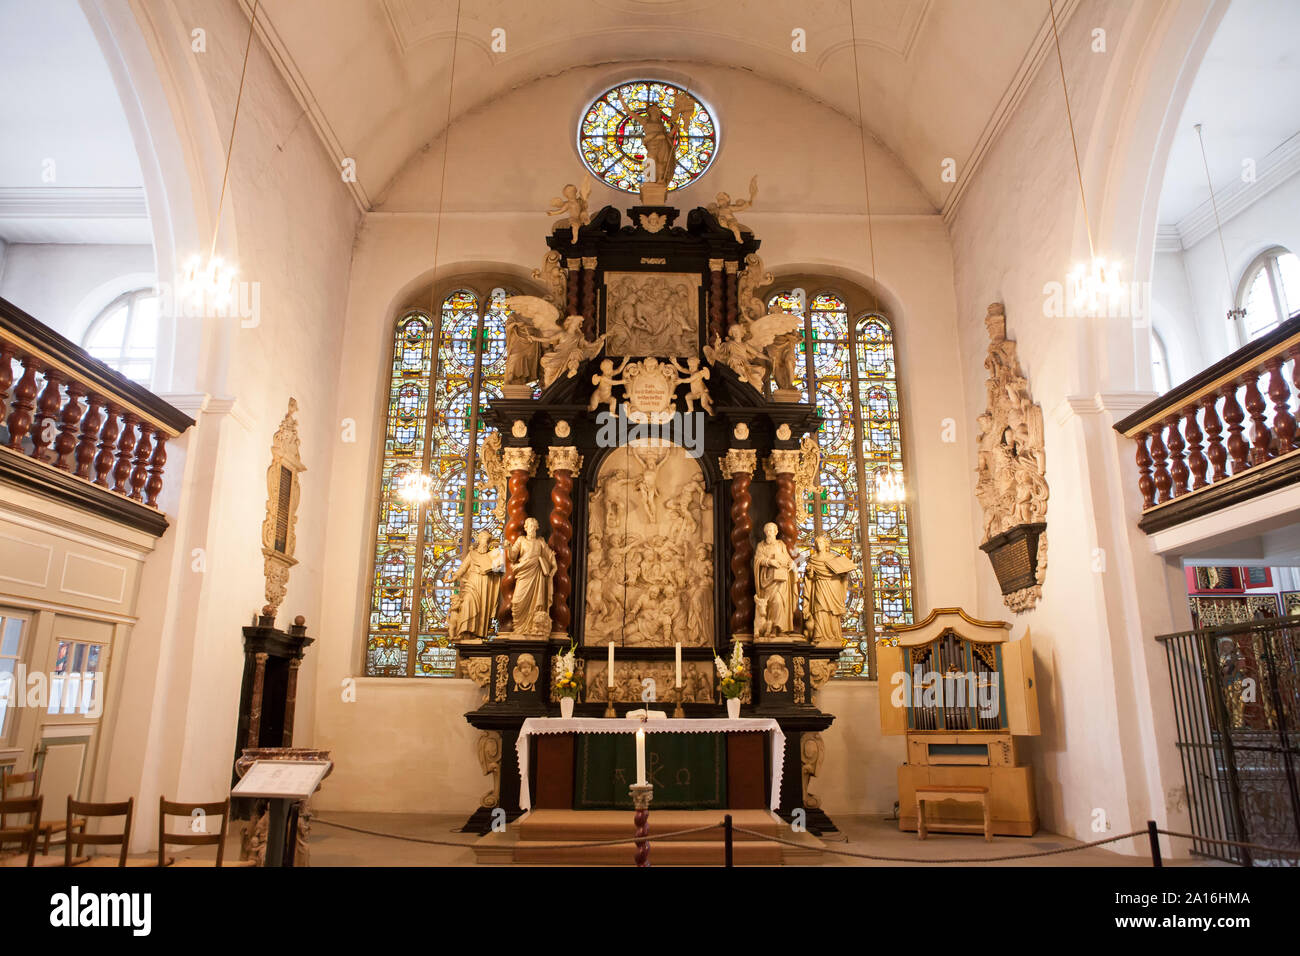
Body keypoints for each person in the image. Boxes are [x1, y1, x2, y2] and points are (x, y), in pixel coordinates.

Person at [446, 530, 504, 639]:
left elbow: (499, 571)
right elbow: (463, 568)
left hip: (486, 583)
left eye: (487, 542)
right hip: (472, 582)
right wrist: (454, 576)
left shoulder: (492, 555)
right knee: (467, 601)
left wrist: (496, 567)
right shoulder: (472, 554)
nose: (484, 544)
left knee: (483, 608)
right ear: (479, 541)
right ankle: (465, 632)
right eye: (483, 540)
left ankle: (478, 634)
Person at [801, 534, 857, 645]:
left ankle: (834, 635)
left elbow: (842, 575)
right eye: (817, 543)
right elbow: (810, 578)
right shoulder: (813, 560)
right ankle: (819, 635)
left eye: (821, 542)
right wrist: (809, 571)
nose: (819, 545)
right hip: (820, 585)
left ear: (826, 545)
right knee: (819, 608)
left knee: (832, 611)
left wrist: (844, 572)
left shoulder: (833, 558)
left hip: (833, 586)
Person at [507, 517, 556, 636]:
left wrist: (552, 564)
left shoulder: (540, 541)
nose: (532, 529)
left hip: (536, 574)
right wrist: (508, 547)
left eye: (534, 527)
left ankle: (533, 627)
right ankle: (519, 629)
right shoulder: (521, 540)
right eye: (529, 526)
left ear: (537, 528)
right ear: (526, 528)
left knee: (537, 602)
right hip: (523, 572)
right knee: (517, 601)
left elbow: (550, 556)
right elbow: (513, 556)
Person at [753, 522, 796, 638]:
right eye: (767, 531)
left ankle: (776, 629)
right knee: (769, 604)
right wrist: (769, 562)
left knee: (778, 602)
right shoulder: (761, 546)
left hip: (781, 579)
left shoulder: (781, 544)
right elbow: (757, 560)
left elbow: (788, 558)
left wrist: (792, 563)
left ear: (776, 532)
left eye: (771, 531)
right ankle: (768, 628)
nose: (769, 533)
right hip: (767, 579)